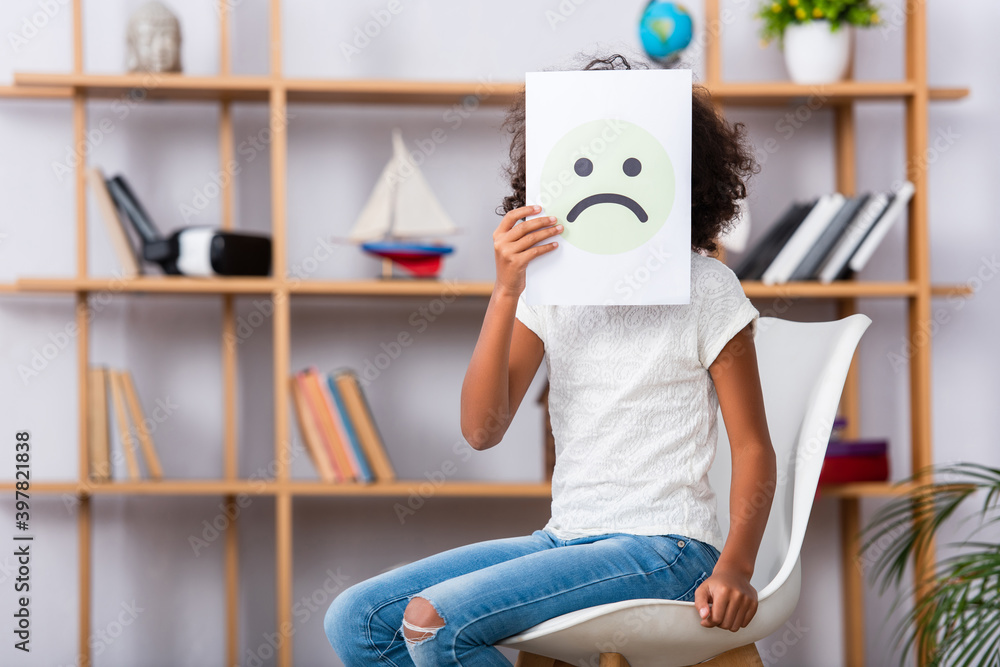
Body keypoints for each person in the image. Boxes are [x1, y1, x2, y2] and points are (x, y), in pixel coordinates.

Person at [325, 54, 776, 667]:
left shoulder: (708, 287)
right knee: (357, 620)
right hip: (568, 536)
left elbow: (754, 448)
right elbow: (482, 430)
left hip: (669, 549)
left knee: (434, 625)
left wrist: (737, 568)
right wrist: (506, 289)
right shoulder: (550, 291)